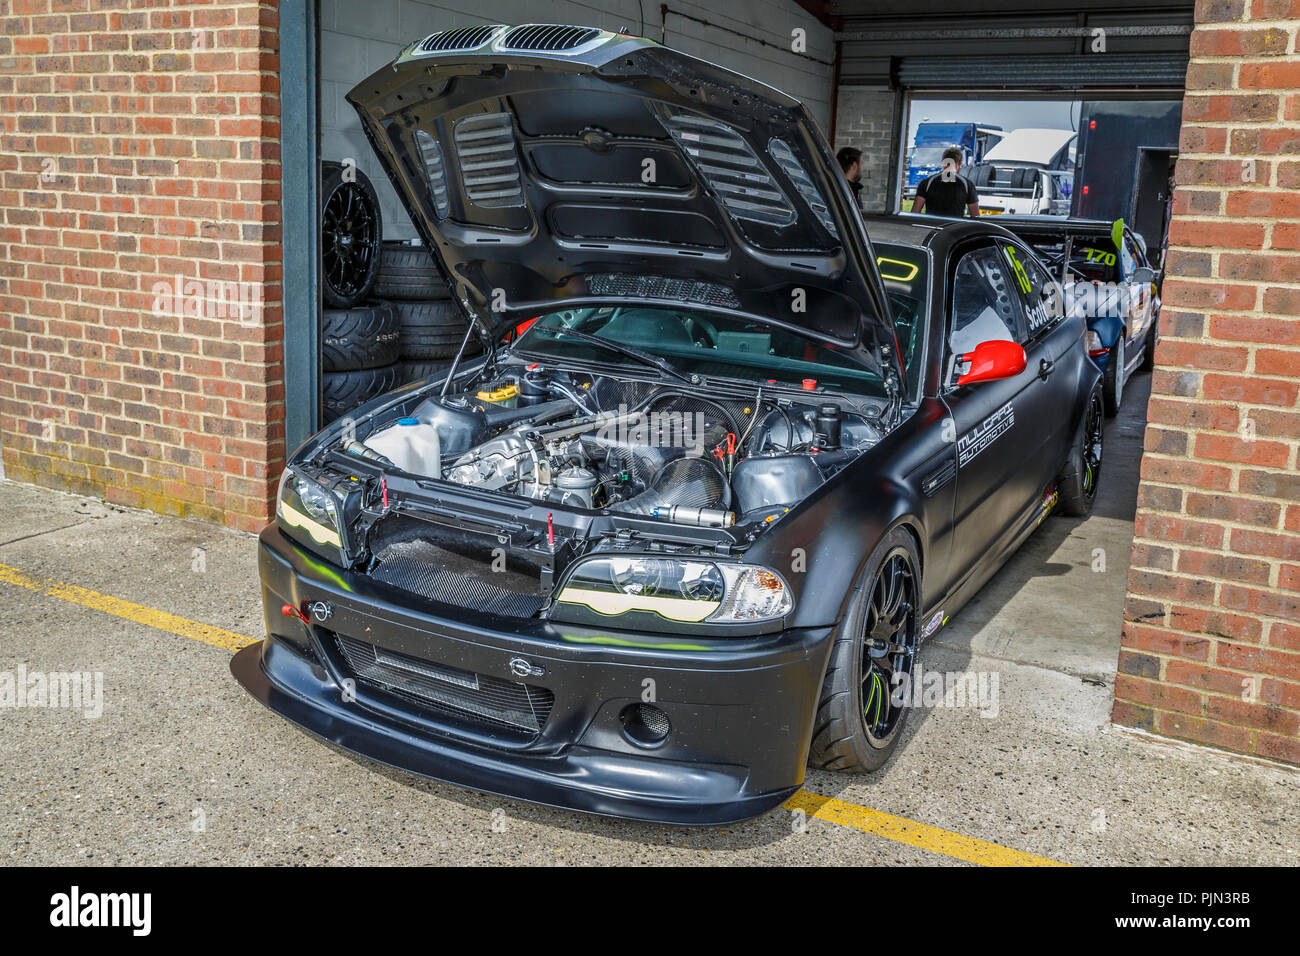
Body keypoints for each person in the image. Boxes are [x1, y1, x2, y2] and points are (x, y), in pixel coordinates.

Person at [913, 146, 980, 218]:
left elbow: (915, 213)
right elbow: (975, 216)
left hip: (932, 227)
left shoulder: (926, 183)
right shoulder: (967, 184)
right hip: (955, 227)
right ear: (960, 162)